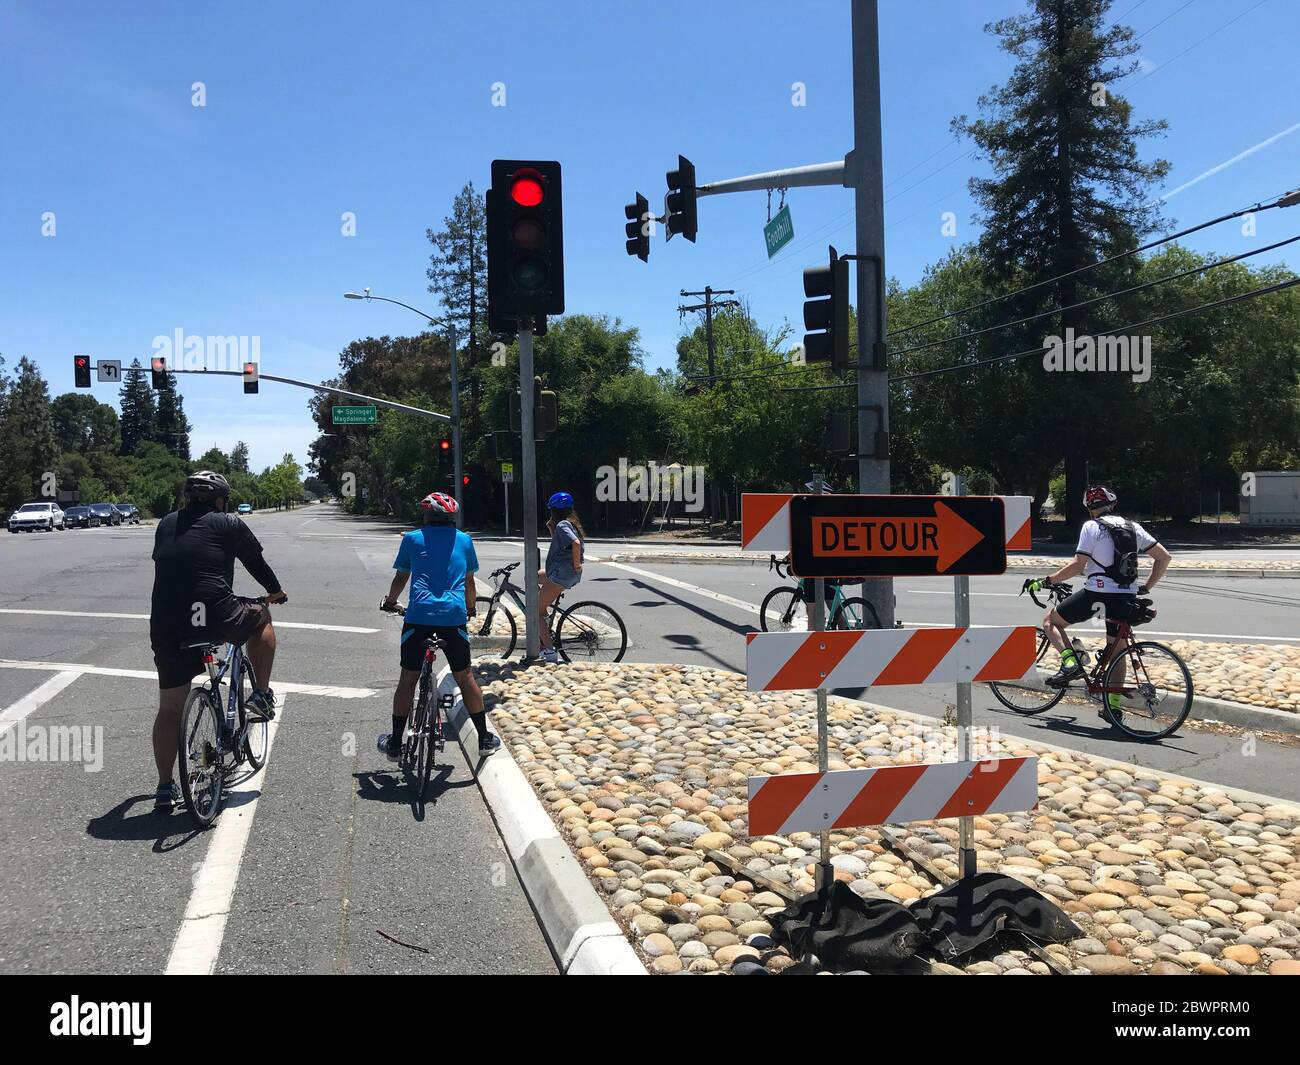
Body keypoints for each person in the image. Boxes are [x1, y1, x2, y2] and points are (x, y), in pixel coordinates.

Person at [150, 471, 286, 811]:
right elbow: (256, 563)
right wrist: (275, 592)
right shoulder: (229, 523)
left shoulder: (166, 523)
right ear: (221, 499)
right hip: (216, 613)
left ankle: (165, 788)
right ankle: (262, 694)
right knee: (262, 618)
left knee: (169, 709)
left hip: (168, 622)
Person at [1026, 485, 1171, 719]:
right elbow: (1164, 557)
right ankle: (1112, 708)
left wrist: (1047, 580)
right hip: (1127, 596)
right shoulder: (1134, 527)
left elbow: (1078, 565)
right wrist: (1146, 587)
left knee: (1051, 621)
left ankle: (1071, 662)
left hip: (1097, 594)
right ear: (1112, 504)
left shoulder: (1091, 527)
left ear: (1090, 509)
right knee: (1118, 651)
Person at [379, 491, 498, 758]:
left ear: (427, 515)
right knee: (465, 677)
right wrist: (469, 609)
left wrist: (390, 601)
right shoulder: (465, 541)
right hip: (453, 617)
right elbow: (469, 582)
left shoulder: (412, 539)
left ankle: (396, 743)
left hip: (419, 617)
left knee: (407, 680)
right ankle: (484, 740)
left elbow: (401, 577)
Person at [537, 491, 584, 664]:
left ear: (554, 511)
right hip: (561, 573)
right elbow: (562, 546)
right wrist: (551, 530)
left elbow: (575, 543)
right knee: (533, 577)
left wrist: (577, 564)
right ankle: (545, 615)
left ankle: (549, 650)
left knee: (533, 612)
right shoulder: (569, 523)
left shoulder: (562, 525)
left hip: (562, 575)